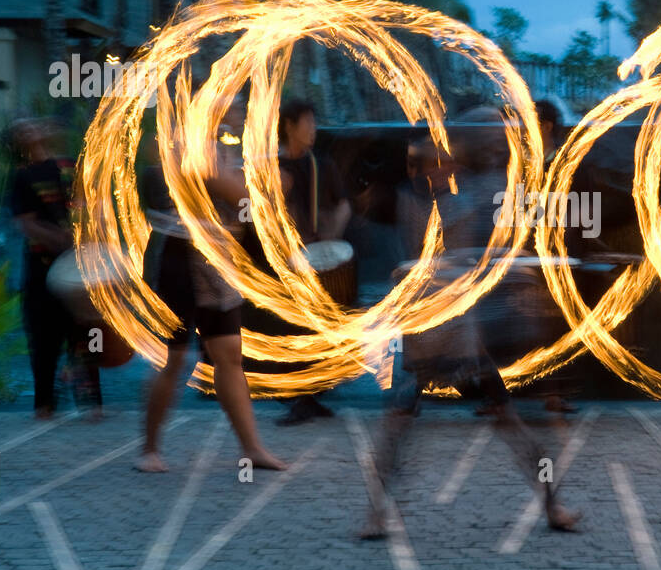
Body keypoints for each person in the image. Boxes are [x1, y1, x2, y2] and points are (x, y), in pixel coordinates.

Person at [360, 129, 582, 538]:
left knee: (504, 418)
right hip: (425, 332)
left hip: (458, 332)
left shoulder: (457, 202)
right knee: (399, 422)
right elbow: (436, 266)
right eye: (441, 163)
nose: (451, 169)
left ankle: (552, 506)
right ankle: (376, 514)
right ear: (434, 167)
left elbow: (474, 266)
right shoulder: (414, 202)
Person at [137, 96, 286, 473]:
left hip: (216, 262)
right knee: (174, 359)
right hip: (180, 257)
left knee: (229, 354)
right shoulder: (196, 148)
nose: (240, 112)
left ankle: (252, 448)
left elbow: (246, 203)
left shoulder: (224, 148)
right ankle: (150, 449)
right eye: (233, 107)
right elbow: (239, 195)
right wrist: (267, 187)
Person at [243, 100, 352, 426]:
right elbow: (253, 213)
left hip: (316, 260)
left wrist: (333, 235)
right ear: (289, 126)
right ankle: (301, 399)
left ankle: (307, 398)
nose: (313, 129)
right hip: (280, 262)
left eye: (315, 123)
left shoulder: (323, 165)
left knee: (313, 330)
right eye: (308, 122)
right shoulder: (269, 167)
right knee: (287, 330)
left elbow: (343, 205)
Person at [9, 119, 102, 421]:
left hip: (78, 263)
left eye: (30, 125)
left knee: (84, 332)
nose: (28, 129)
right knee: (43, 336)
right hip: (42, 267)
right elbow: (26, 223)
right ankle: (45, 406)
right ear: (16, 142)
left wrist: (87, 237)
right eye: (21, 129)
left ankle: (92, 406)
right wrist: (62, 241)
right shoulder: (21, 177)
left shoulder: (68, 165)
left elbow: (88, 203)